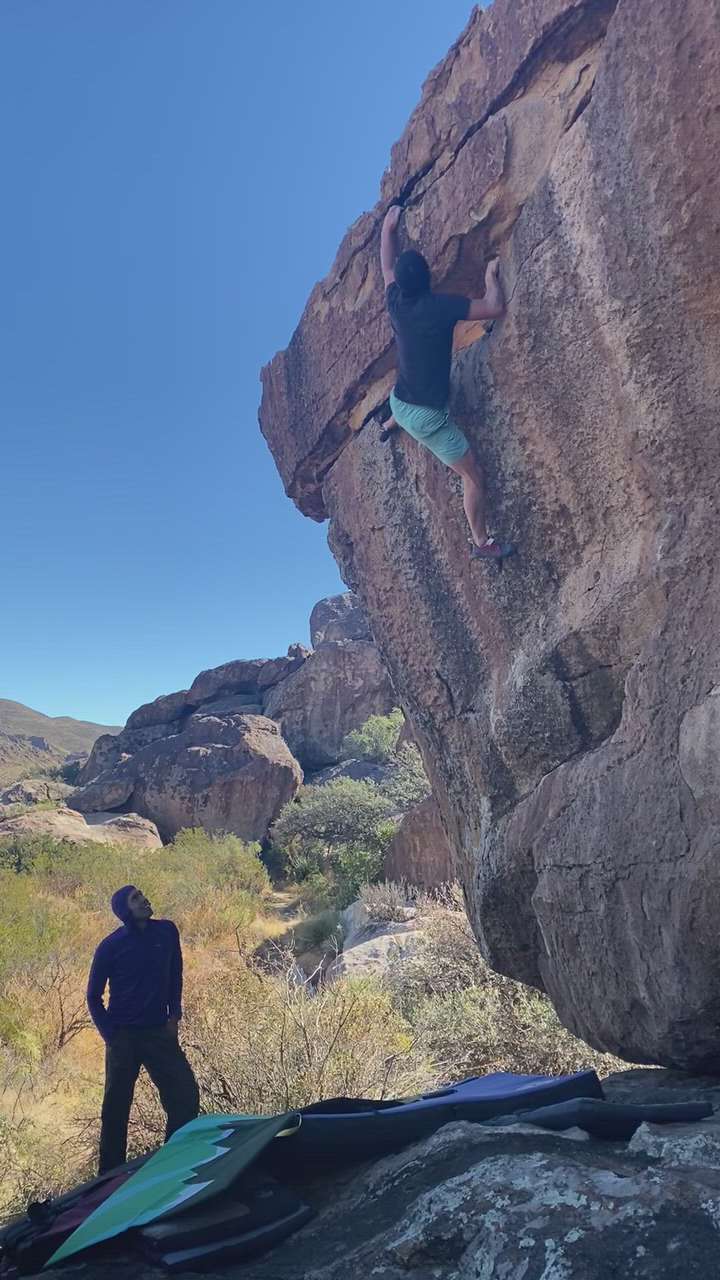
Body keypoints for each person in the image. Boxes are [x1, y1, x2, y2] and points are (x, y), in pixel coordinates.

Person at [380, 203, 515, 560]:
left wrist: (388, 229)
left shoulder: (395, 302)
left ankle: (392, 420)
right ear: (428, 279)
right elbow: (494, 308)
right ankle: (481, 543)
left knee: (402, 396)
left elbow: (385, 265)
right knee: (473, 476)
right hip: (428, 418)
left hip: (401, 400)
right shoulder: (439, 307)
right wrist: (490, 277)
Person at [87, 884, 200, 1173]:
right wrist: (110, 1036)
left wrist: (174, 1015)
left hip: (158, 1033)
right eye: (135, 898)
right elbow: (93, 997)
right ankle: (109, 1177)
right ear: (125, 911)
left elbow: (176, 974)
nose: (144, 899)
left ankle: (174, 1159)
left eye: (142, 894)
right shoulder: (110, 946)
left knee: (185, 1093)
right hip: (123, 1035)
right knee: (115, 1110)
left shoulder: (167, 931)